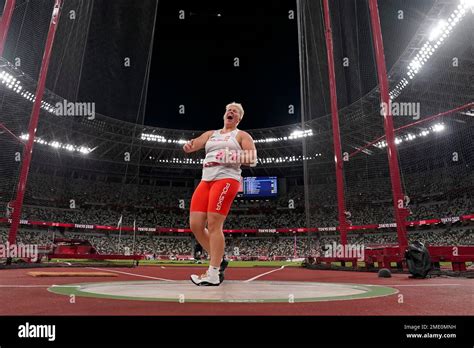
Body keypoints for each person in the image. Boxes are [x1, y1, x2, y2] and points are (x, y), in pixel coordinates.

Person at [183, 102, 257, 286]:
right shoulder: (211, 134)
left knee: (214, 223)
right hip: (206, 180)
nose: (230, 112)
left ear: (239, 118)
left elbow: (252, 158)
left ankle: (214, 273)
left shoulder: (241, 135)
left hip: (226, 178)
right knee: (195, 225)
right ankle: (219, 259)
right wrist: (189, 146)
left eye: (235, 111)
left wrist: (231, 157)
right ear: (224, 115)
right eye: (228, 110)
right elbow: (196, 144)